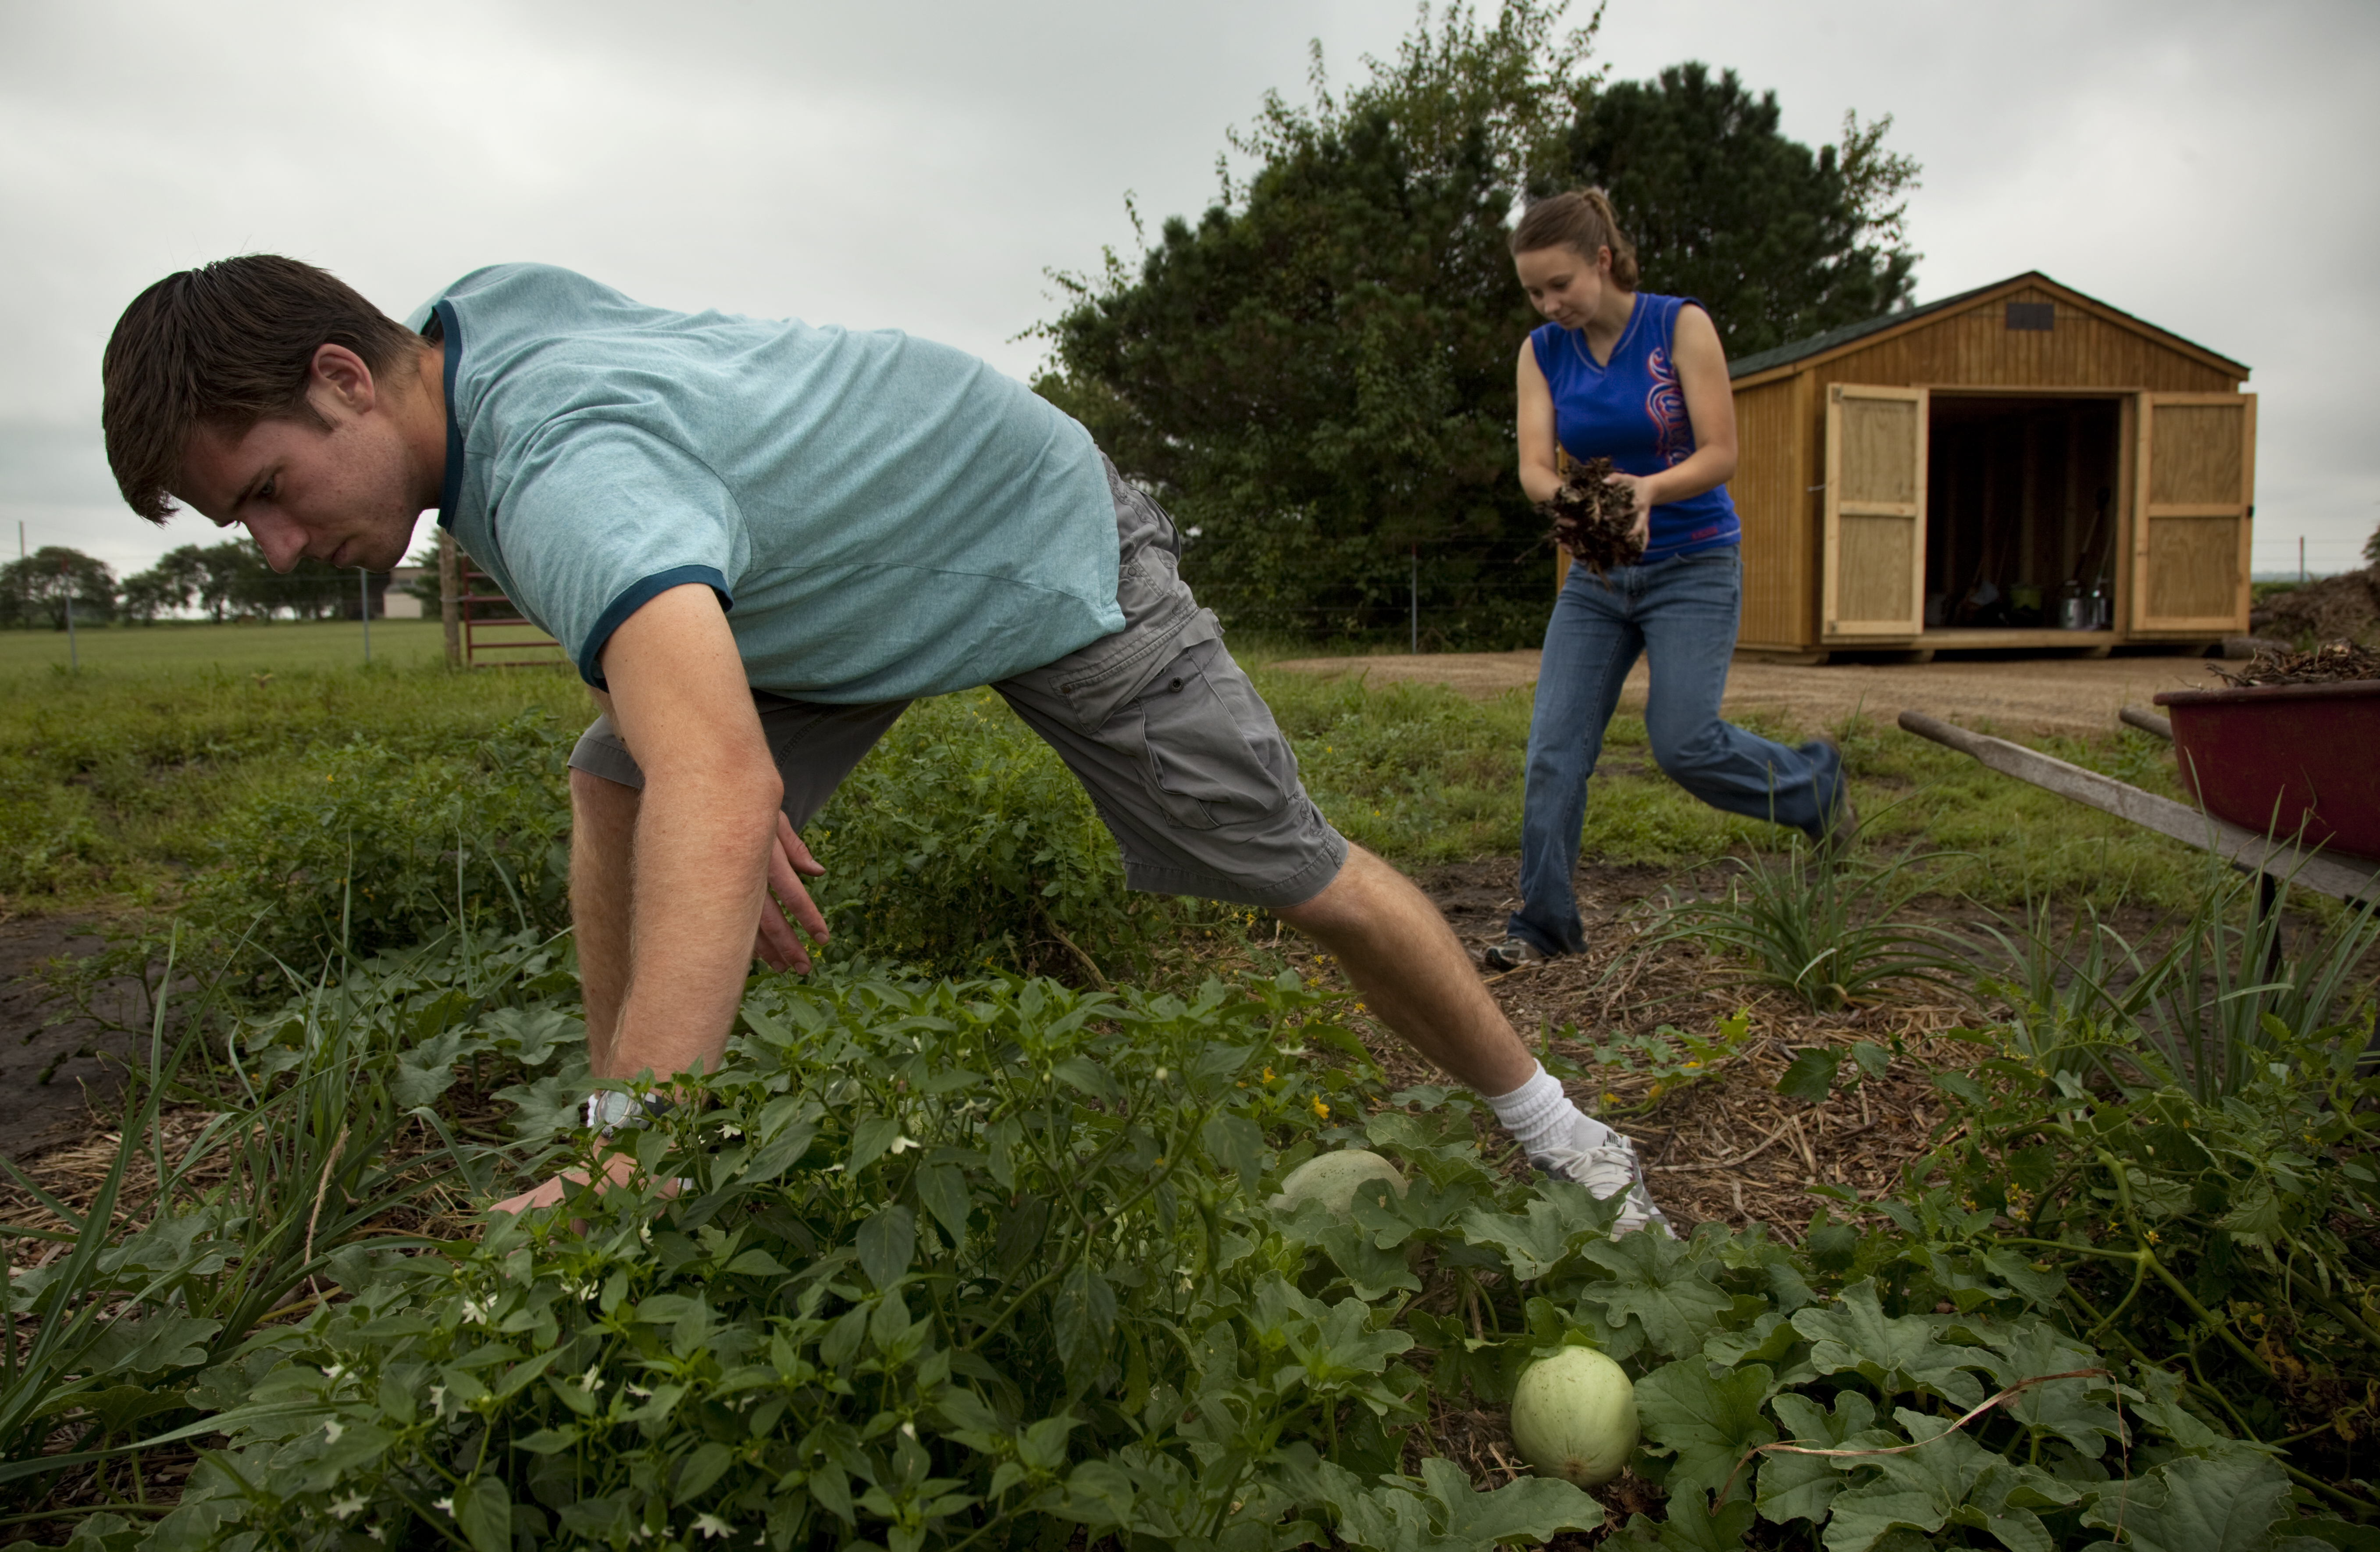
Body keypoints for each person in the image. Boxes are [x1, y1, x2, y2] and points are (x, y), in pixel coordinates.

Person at [100, 255, 1669, 1233]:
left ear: (343, 377)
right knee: (614, 777)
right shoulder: (466, 334)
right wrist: (710, 756)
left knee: (1292, 872)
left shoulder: (563, 471)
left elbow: (716, 779)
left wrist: (728, 770)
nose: (275, 546)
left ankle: (1566, 1137)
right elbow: (675, 753)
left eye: (262, 490)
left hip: (1023, 538)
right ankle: (626, 1143)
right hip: (831, 585)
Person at [1484, 192, 1853, 973]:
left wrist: (1647, 490)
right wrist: (1587, 505)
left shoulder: (1678, 326)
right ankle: (1542, 922)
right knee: (1554, 751)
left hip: (1694, 563)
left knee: (1684, 744)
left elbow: (1721, 454)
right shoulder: (1542, 352)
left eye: (1560, 286)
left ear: (1602, 262)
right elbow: (1532, 469)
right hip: (1599, 575)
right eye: (1534, 293)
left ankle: (1813, 787)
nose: (1549, 306)